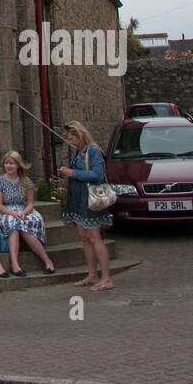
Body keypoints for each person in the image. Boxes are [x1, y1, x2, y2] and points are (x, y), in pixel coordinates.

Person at [58, 120, 113, 291]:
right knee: (84, 236)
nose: (70, 141)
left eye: (72, 138)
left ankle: (106, 278)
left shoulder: (93, 150)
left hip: (89, 198)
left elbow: (97, 174)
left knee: (94, 237)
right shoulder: (77, 151)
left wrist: (73, 173)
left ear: (80, 136)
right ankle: (92, 274)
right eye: (69, 139)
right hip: (77, 196)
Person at [0, 151, 55, 276]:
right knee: (14, 224)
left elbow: (30, 204)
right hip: (6, 210)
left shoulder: (26, 181)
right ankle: (15, 264)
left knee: (25, 225)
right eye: (6, 163)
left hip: (23, 210)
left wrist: (24, 213)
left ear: (18, 165)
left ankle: (47, 261)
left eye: (12, 163)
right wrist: (12, 213)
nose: (9, 166)